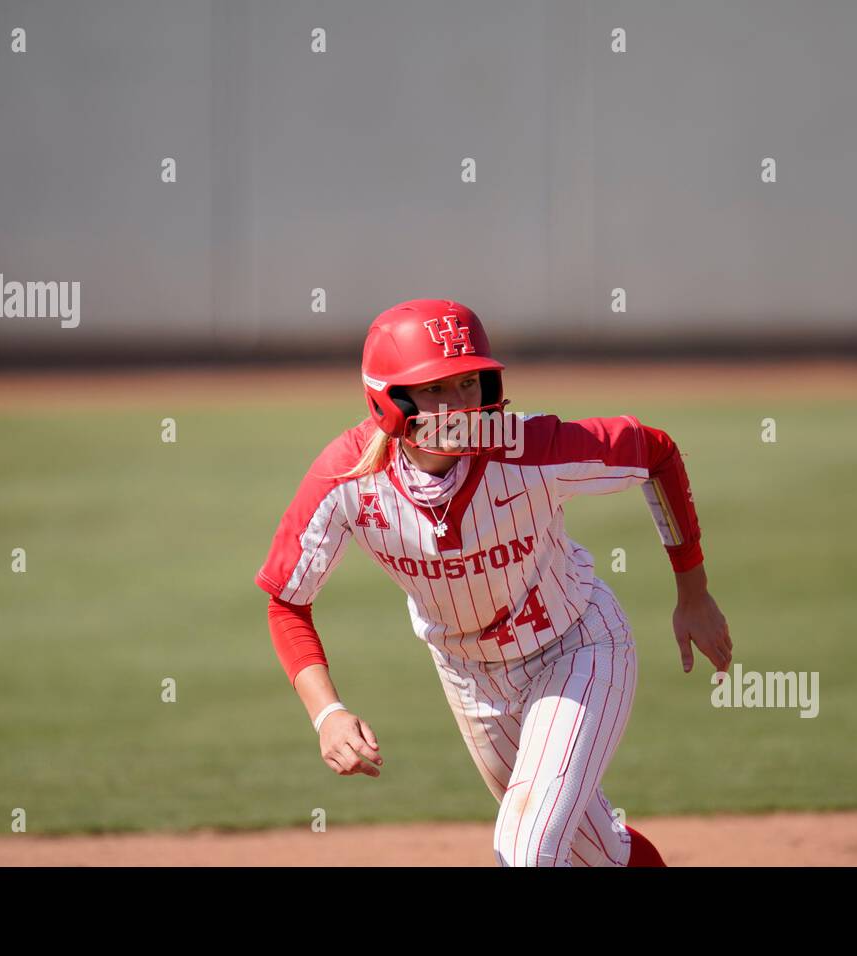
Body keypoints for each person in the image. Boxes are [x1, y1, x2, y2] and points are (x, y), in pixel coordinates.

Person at [256, 298, 733, 866]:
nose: (459, 405)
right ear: (389, 400)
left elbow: (653, 451)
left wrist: (693, 594)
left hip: (578, 647)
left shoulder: (529, 446)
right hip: (469, 678)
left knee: (525, 848)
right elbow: (287, 602)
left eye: (468, 384)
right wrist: (328, 713)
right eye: (435, 389)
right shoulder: (347, 477)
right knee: (596, 852)